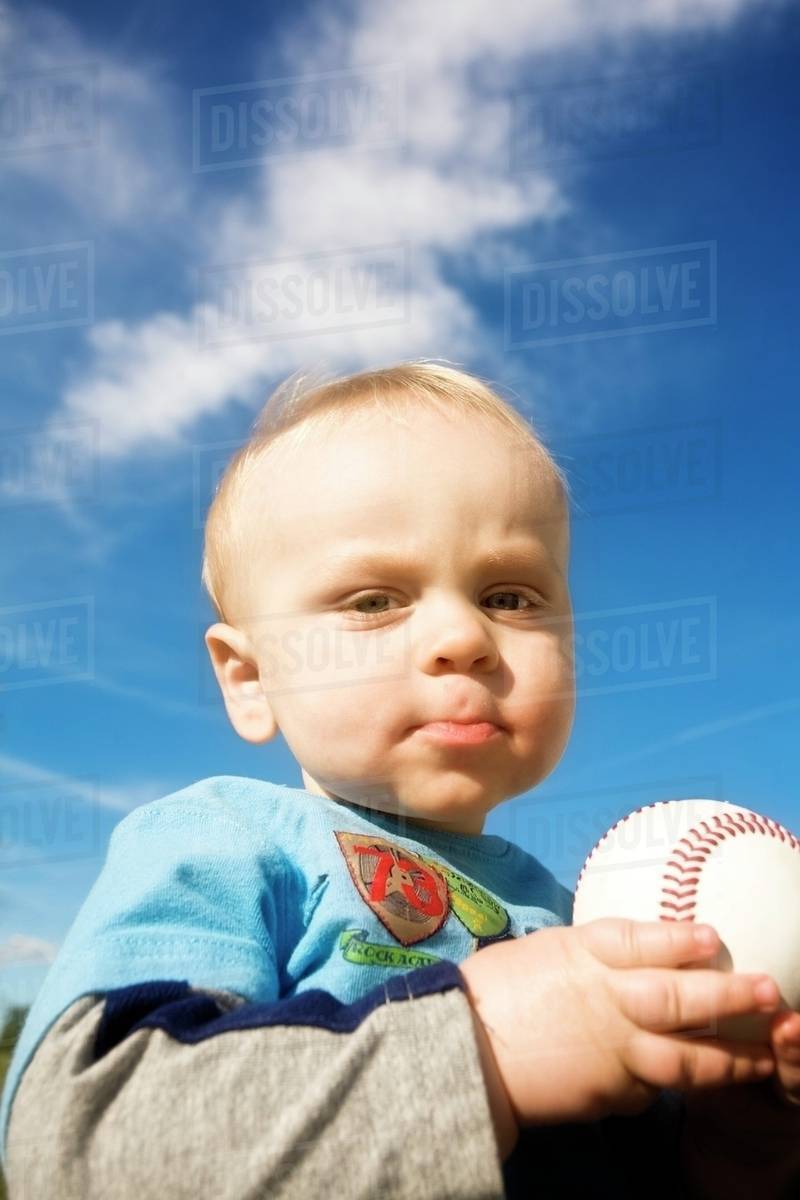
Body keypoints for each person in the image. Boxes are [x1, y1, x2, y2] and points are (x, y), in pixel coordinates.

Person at [3, 362, 800, 1199]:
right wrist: (488, 1050)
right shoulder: (225, 843)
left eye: (512, 596)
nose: (463, 636)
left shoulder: (579, 914)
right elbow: (85, 1139)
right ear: (249, 678)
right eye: (374, 599)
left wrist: (740, 1149)